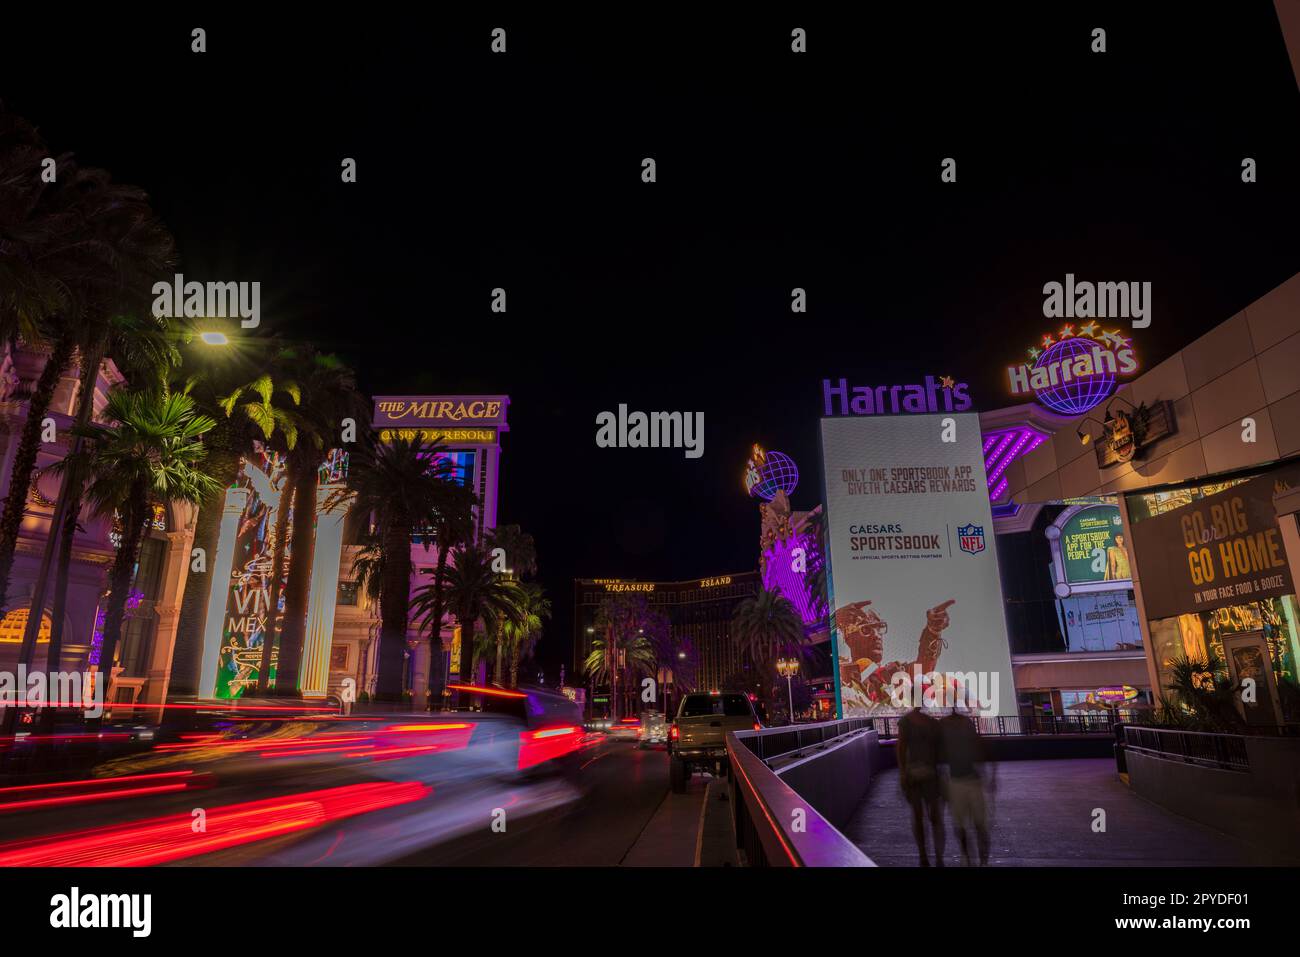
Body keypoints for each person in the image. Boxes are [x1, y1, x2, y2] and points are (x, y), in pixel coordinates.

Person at [939, 708, 994, 866]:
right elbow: (984, 748)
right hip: (968, 780)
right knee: (977, 826)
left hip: (959, 781)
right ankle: (979, 860)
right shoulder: (966, 724)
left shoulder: (945, 726)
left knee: (966, 825)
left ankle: (970, 858)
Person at [896, 707, 944, 866]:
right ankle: (934, 856)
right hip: (924, 774)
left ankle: (927, 856)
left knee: (921, 817)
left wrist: (903, 772)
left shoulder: (907, 722)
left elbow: (901, 748)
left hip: (917, 775)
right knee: (932, 817)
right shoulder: (930, 722)